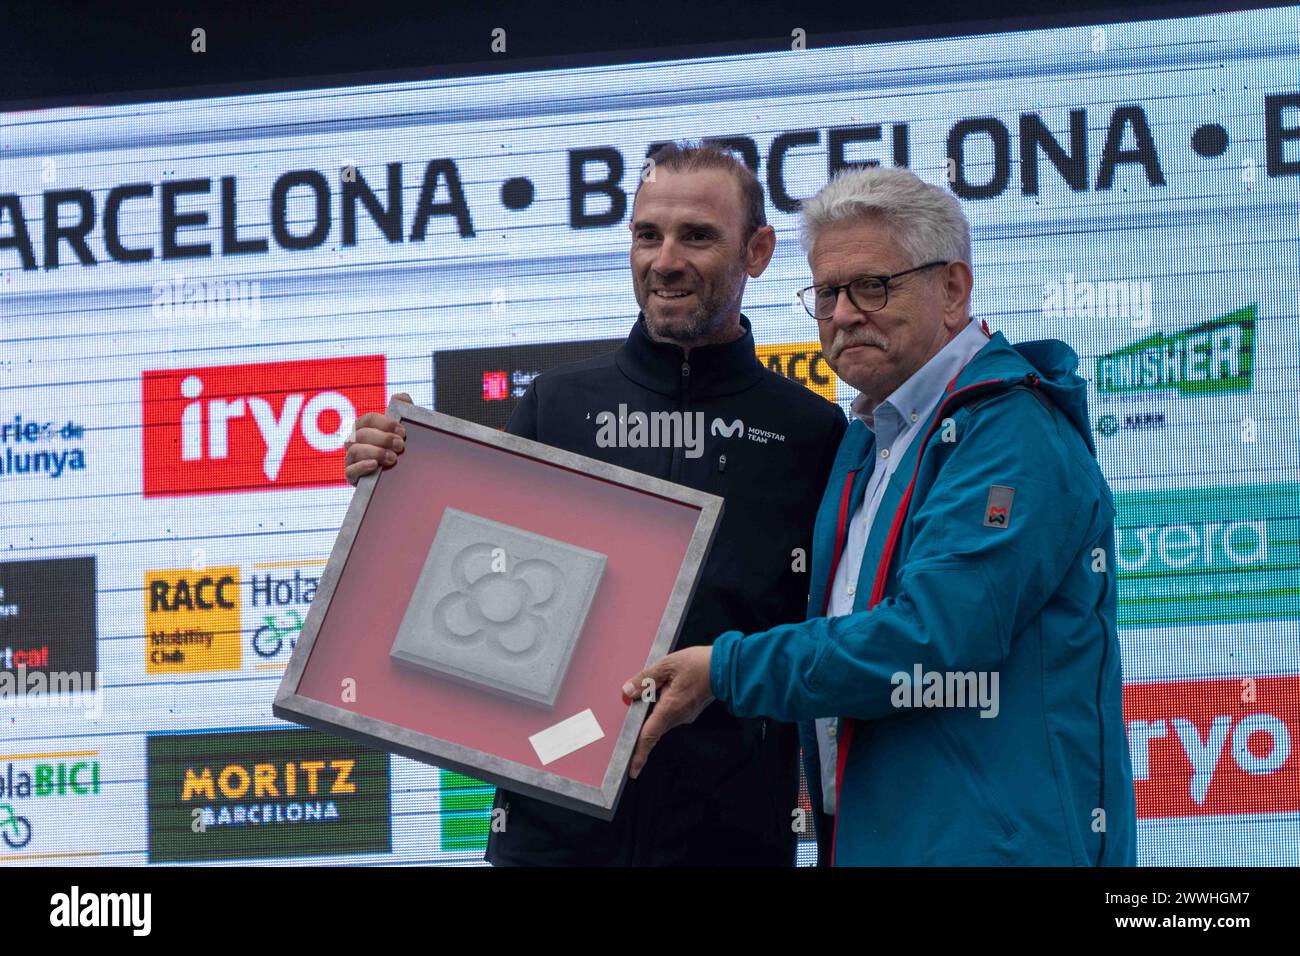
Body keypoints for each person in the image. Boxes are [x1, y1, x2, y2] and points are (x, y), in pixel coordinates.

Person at [344, 142, 847, 865]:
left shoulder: (812, 431)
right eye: (648, 235)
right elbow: (460, 600)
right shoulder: (555, 405)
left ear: (758, 251)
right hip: (549, 842)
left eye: (697, 236)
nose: (665, 260)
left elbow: (829, 640)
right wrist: (392, 483)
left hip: (730, 843)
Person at [624, 165, 1137, 866]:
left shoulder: (1009, 433)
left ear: (952, 289)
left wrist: (727, 669)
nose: (842, 315)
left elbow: (930, 637)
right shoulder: (870, 439)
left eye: (872, 286)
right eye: (828, 292)